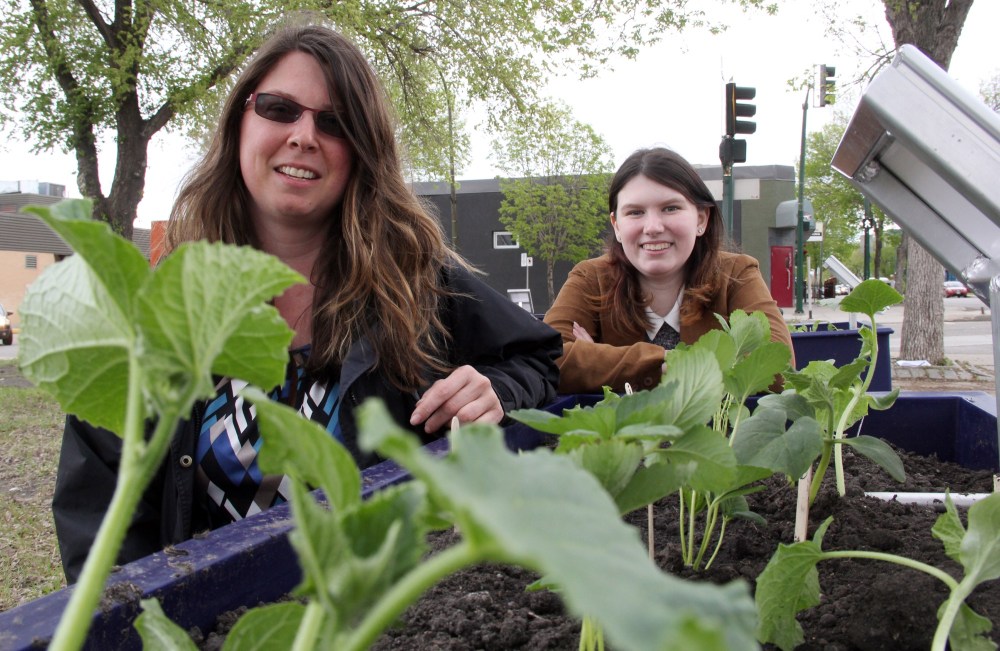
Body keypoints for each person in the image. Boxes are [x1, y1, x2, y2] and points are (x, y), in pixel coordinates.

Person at [52, 23, 562, 582]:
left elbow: (537, 360)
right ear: (240, 121)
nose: (303, 135)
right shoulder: (158, 309)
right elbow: (100, 514)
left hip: (380, 617)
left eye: (334, 122)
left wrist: (494, 392)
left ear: (362, 151)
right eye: (278, 108)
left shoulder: (419, 281)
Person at [544, 147, 792, 394]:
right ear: (617, 225)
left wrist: (597, 360)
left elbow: (778, 368)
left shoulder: (736, 274)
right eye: (635, 212)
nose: (652, 227)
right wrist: (675, 364)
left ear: (701, 219)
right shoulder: (590, 279)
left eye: (670, 208)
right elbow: (545, 360)